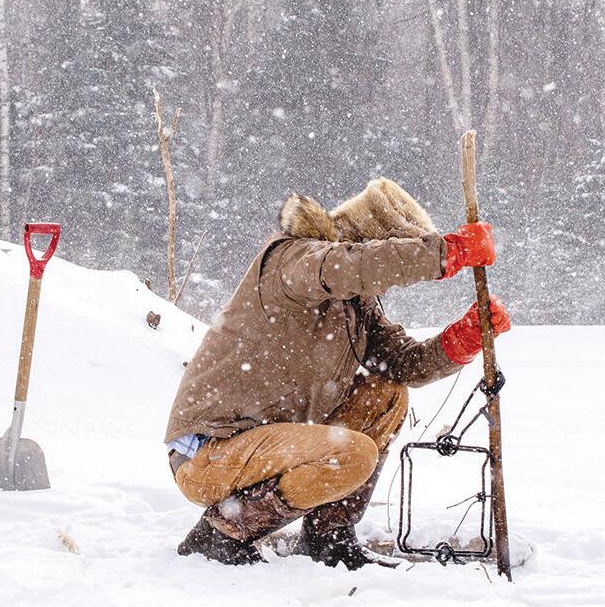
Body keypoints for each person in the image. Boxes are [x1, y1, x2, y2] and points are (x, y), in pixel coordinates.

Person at [163, 178, 511, 569]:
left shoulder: (355, 306)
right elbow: (349, 266)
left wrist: (463, 338)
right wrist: (446, 253)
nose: (385, 287)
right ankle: (223, 533)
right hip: (211, 452)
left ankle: (328, 535)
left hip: (271, 445)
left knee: (386, 394)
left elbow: (402, 363)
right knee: (352, 455)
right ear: (367, 244)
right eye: (388, 258)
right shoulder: (293, 260)